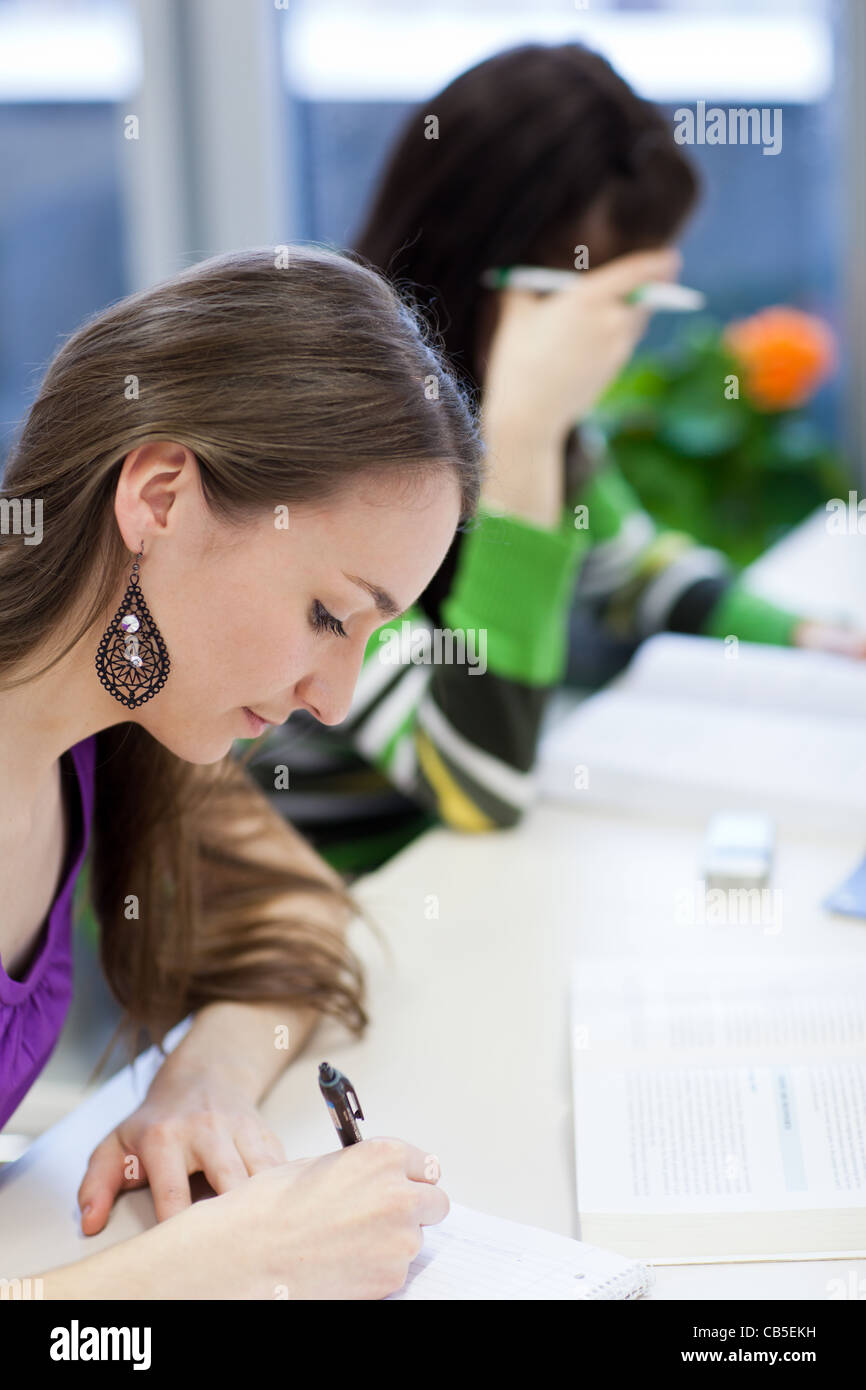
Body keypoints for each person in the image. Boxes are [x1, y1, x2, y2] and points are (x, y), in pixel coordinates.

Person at [239, 42, 865, 879]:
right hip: (340, 902)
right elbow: (476, 781)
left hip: (459, 887)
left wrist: (813, 637)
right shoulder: (332, 452)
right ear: (508, 285)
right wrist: (522, 436)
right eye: (623, 301)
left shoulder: (531, 414)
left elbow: (635, 574)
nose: (631, 333)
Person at [0, 244, 483, 1298]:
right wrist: (217, 1265)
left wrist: (203, 1081)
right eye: (326, 616)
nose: (334, 697)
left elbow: (299, 913)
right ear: (161, 495)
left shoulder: (110, 719)